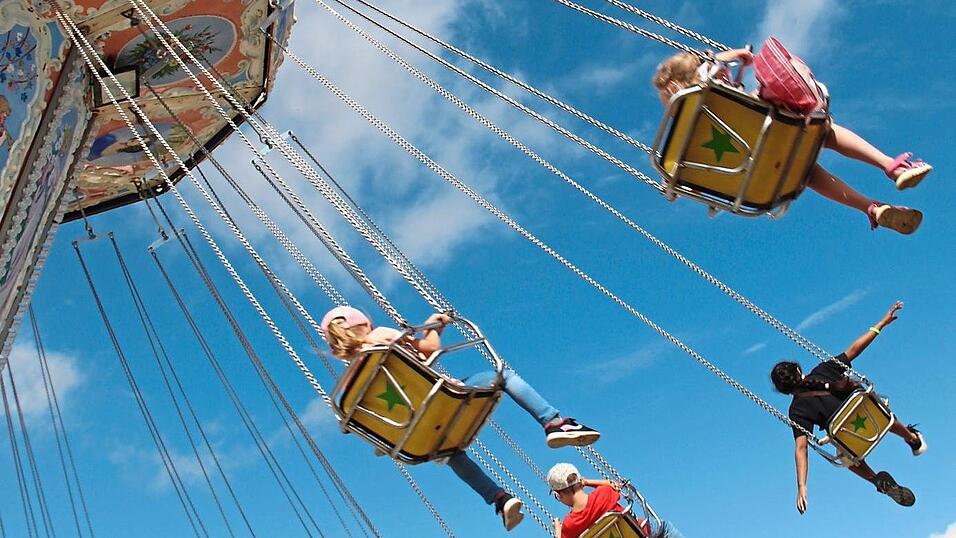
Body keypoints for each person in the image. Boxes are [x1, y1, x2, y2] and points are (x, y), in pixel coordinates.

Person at [321, 306, 601, 531]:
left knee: (451, 452)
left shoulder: (348, 386)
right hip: (444, 398)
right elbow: (427, 349)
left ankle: (499, 500)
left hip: (415, 434)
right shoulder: (380, 337)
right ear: (363, 323)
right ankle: (553, 422)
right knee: (502, 377)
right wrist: (435, 326)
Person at [652, 47, 932, 235]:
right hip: (776, 133)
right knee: (822, 130)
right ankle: (891, 165)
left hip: (757, 181)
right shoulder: (714, 91)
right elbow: (710, 67)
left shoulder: (684, 147)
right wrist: (735, 55)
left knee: (804, 174)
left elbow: (676, 182)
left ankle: (871, 208)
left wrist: (672, 184)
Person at [770, 301, 927, 513]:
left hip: (852, 441)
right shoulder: (823, 370)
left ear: (784, 391)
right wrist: (881, 324)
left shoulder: (796, 411)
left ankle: (875, 480)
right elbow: (854, 349)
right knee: (878, 411)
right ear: (799, 369)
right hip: (873, 417)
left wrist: (802, 487)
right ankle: (912, 438)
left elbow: (801, 448)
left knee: (846, 458)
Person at [548, 463, 661, 538]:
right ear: (580, 483)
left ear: (558, 494)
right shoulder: (604, 494)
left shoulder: (569, 525)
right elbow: (614, 485)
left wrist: (558, 529)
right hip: (640, 534)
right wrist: (587, 482)